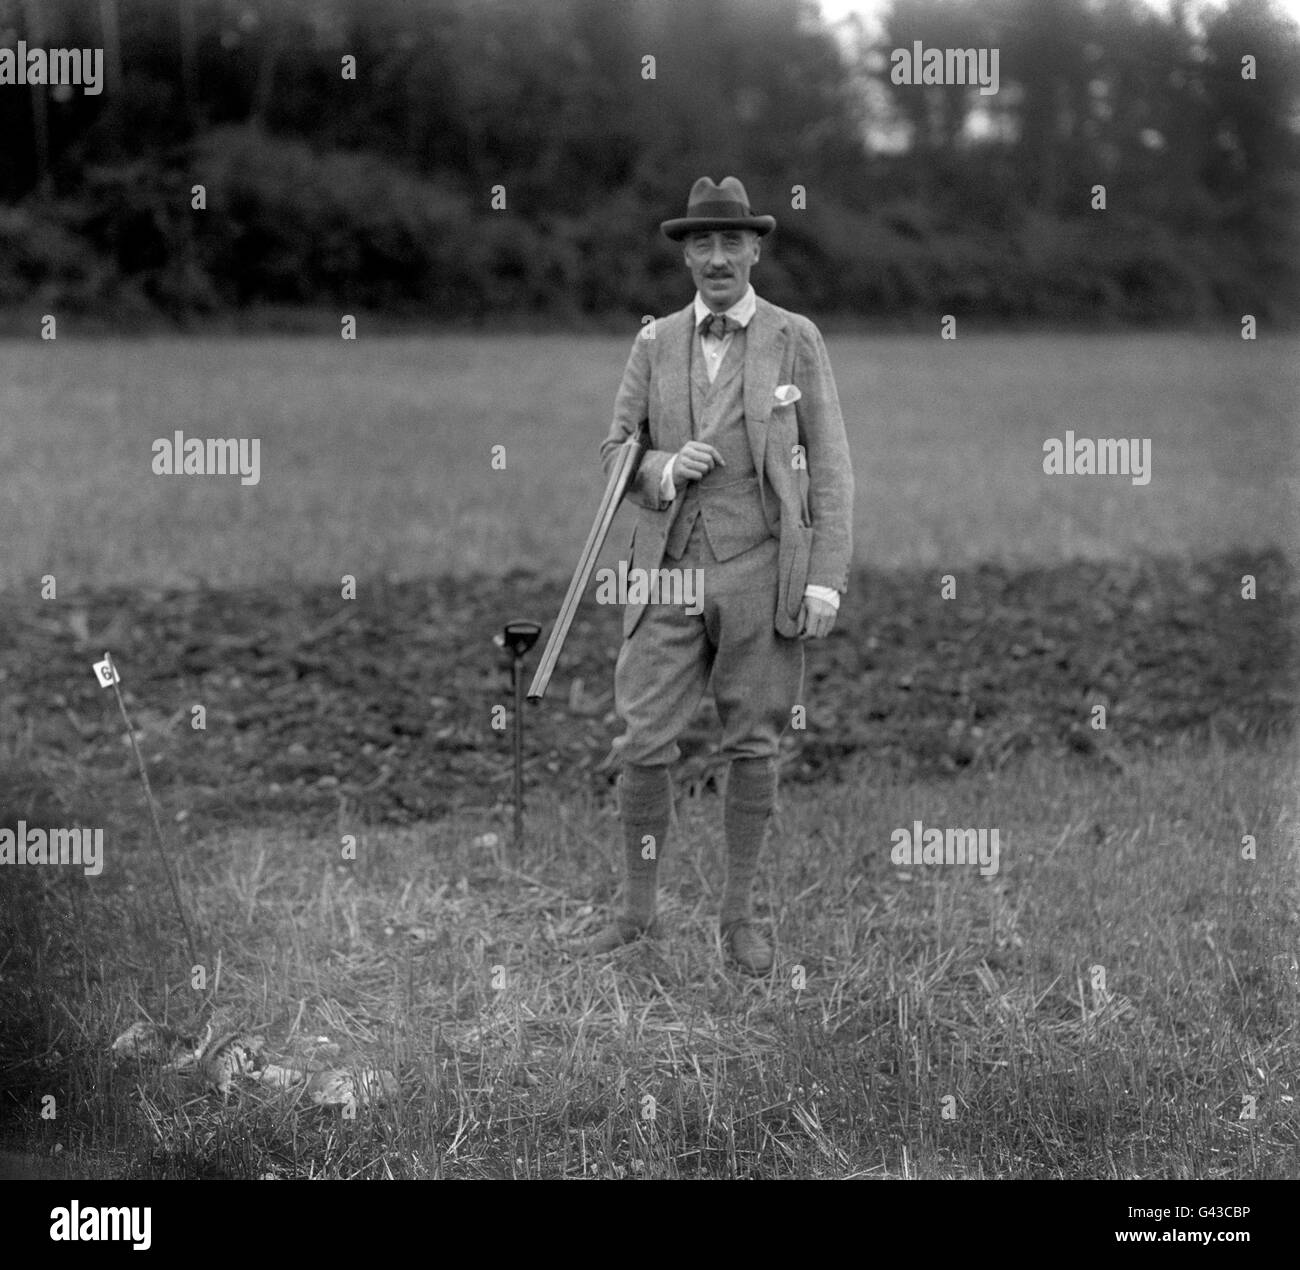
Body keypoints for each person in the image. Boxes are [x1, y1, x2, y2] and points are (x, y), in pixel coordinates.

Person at [584, 176, 854, 974]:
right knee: (641, 739)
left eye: (730, 241)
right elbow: (614, 454)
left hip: (764, 568)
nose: (716, 257)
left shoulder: (795, 338)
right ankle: (636, 912)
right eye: (701, 243)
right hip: (664, 568)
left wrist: (824, 580)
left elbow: (832, 465)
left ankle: (739, 920)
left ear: (755, 249)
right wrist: (663, 467)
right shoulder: (654, 342)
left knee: (753, 742)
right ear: (685, 256)